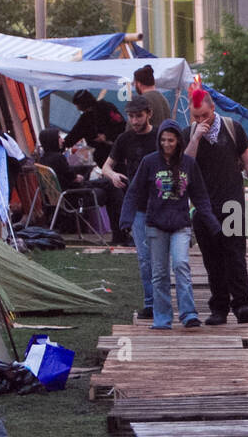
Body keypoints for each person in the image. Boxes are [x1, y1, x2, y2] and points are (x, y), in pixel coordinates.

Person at [120, 119, 220, 330]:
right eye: (163, 140)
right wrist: (126, 220)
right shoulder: (149, 162)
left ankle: (189, 314)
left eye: (171, 140)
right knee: (159, 273)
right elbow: (134, 191)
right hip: (155, 225)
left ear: (178, 142)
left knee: (181, 265)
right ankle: (162, 318)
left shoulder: (188, 164)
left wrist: (211, 222)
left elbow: (200, 196)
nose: (167, 144)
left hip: (181, 225)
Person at [184, 88, 248, 325]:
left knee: (235, 254)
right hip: (203, 206)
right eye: (195, 117)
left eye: (204, 116)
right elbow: (186, 165)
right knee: (211, 258)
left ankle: (242, 303)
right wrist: (196, 137)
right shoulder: (189, 133)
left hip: (232, 202)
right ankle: (219, 307)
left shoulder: (232, 129)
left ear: (213, 109)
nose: (200, 121)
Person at [101, 96, 159, 313]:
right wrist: (113, 175)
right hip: (137, 205)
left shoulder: (159, 137)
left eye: (139, 116)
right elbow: (106, 167)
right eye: (131, 116)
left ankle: (163, 300)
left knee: (161, 257)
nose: (135, 121)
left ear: (149, 114)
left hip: (161, 204)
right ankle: (150, 303)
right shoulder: (124, 139)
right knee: (144, 257)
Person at [64, 89, 125, 169]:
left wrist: (106, 136)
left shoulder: (106, 107)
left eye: (77, 105)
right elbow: (74, 134)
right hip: (101, 155)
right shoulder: (85, 118)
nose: (77, 108)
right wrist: (63, 144)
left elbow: (121, 124)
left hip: (117, 150)